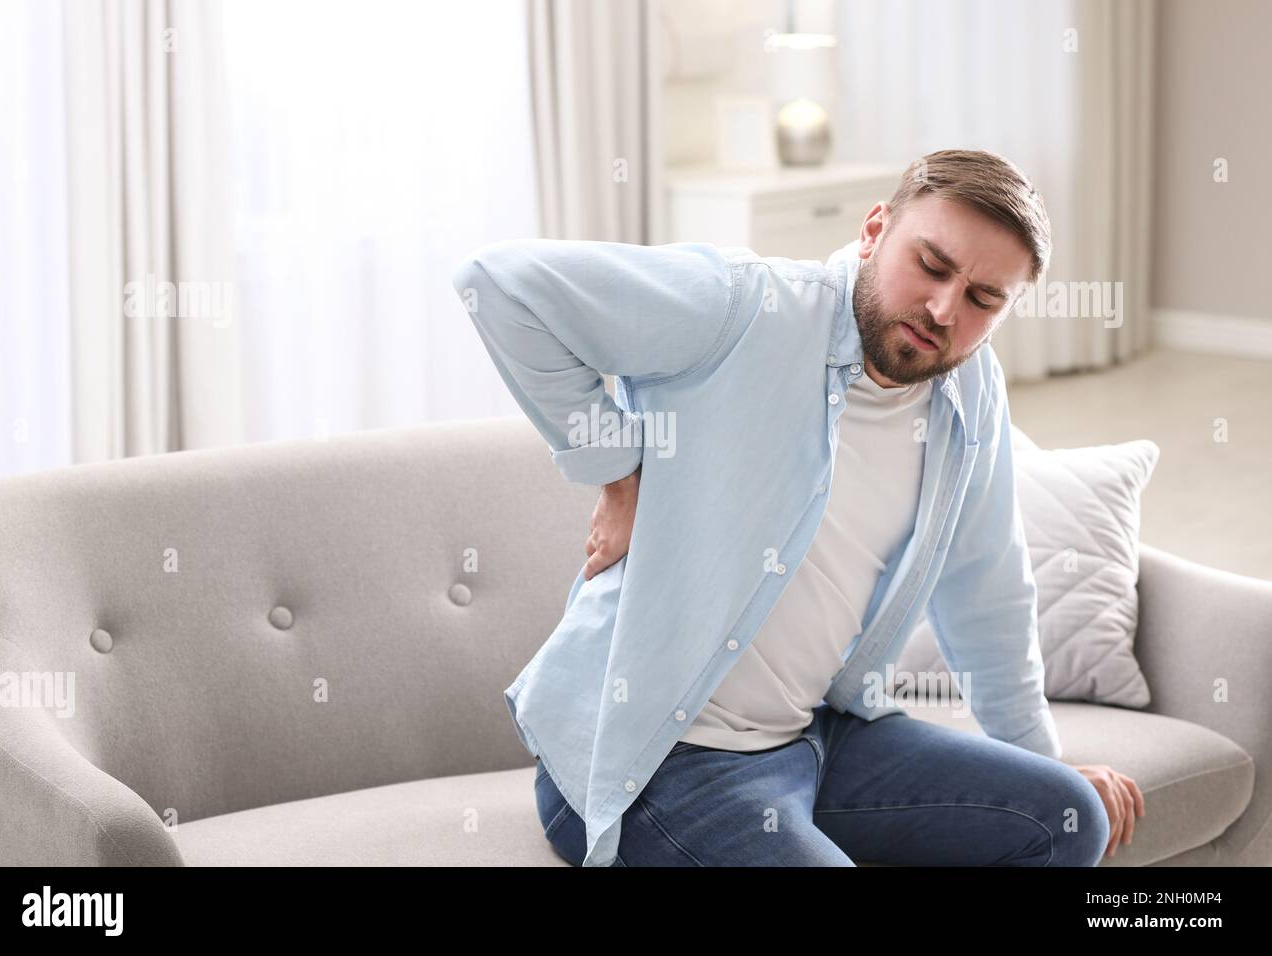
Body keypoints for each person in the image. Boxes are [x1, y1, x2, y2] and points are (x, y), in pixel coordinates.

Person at [452, 148, 1143, 867]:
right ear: (876, 229)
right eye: (932, 266)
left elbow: (988, 591)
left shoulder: (971, 395)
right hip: (653, 763)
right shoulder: (744, 306)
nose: (944, 310)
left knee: (1068, 816)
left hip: (818, 735)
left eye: (982, 299)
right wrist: (618, 473)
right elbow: (498, 284)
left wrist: (1044, 763)